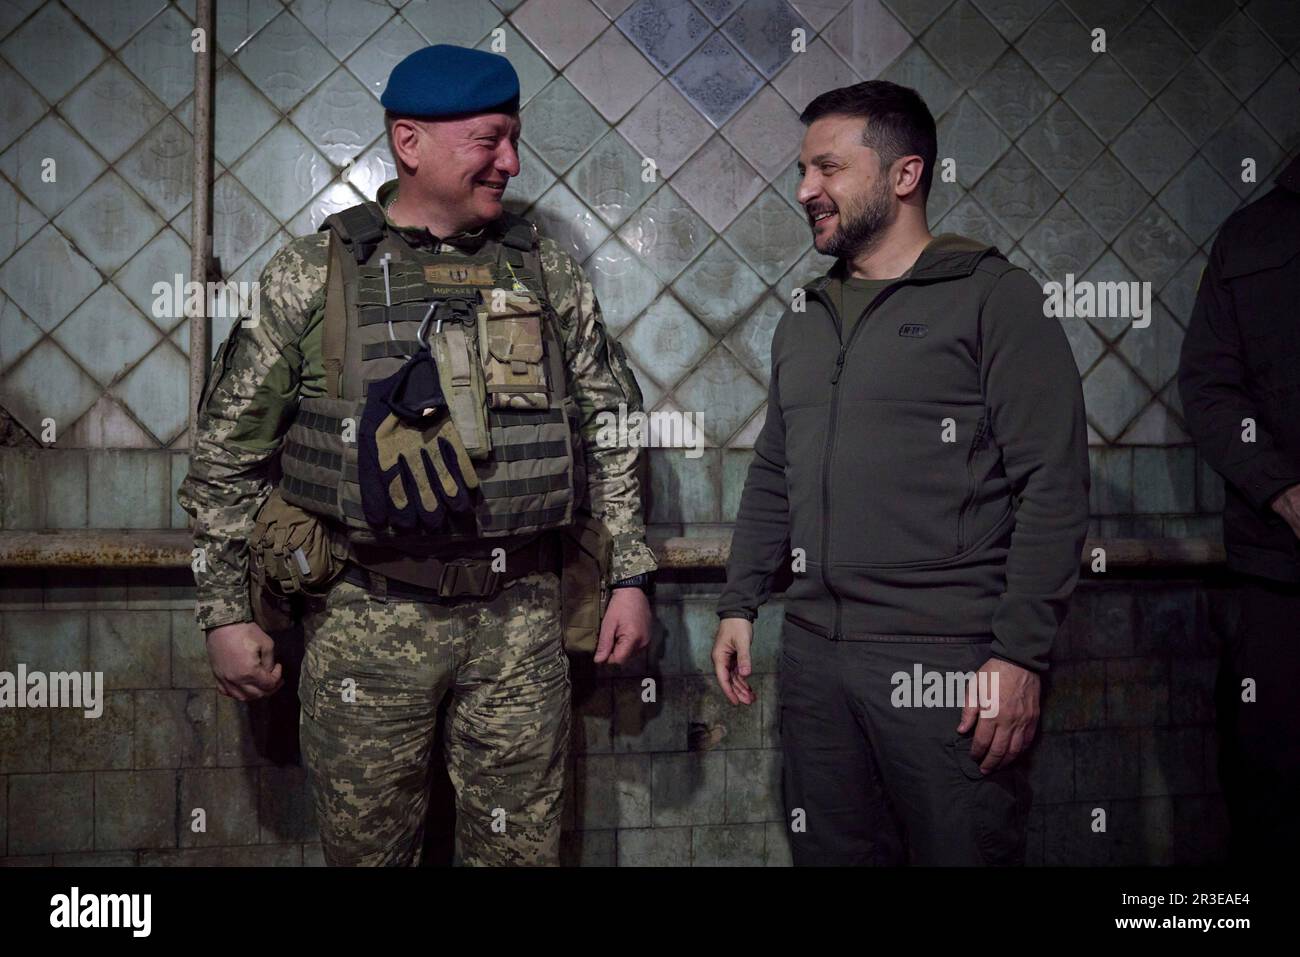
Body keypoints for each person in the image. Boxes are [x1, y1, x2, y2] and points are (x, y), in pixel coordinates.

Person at [178, 44, 657, 866]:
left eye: (513, 139)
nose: (510, 162)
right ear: (410, 143)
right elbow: (227, 453)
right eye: (489, 139)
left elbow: (612, 429)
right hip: (366, 619)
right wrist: (224, 610)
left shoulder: (547, 273)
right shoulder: (313, 273)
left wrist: (631, 577)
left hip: (521, 622)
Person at [712, 80, 1090, 865]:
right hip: (816, 659)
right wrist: (741, 600)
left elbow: (1052, 485)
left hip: (946, 661)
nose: (806, 190)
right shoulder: (805, 316)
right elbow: (776, 469)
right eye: (803, 171)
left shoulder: (996, 299)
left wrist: (1019, 655)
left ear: (904, 175)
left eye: (827, 169)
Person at [1178, 153, 1300, 865]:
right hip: (1280, 576)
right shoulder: (1251, 239)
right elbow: (1210, 385)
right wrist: (1284, 492)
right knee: (1275, 787)